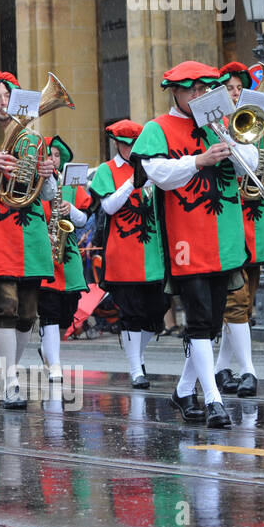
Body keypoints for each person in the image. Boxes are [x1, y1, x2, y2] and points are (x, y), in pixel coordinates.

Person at [131, 61, 257, 429]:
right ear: (176, 92)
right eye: (192, 90)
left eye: (205, 89)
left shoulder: (221, 122)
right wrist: (198, 160)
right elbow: (158, 174)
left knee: (212, 322)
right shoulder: (159, 128)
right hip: (186, 237)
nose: (200, 95)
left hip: (224, 236)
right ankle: (213, 399)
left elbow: (251, 166)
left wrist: (230, 142)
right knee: (200, 320)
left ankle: (185, 391)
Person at [0, 70, 58, 409]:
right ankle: (9, 381)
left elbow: (47, 193)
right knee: (6, 306)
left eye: (7, 96)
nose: (3, 102)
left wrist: (47, 173)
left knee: (28, 313)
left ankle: (12, 369)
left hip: (30, 230)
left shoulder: (33, 139)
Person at [214, 61, 264, 398]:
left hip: (257, 223)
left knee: (245, 304)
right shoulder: (218, 127)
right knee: (236, 301)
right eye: (229, 88)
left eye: (240, 88)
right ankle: (247, 372)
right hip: (231, 221)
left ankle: (219, 369)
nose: (236, 93)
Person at [87, 120, 167, 387]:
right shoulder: (106, 171)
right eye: (125, 144)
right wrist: (133, 182)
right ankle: (135, 368)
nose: (131, 149)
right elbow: (108, 207)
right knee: (131, 312)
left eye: (134, 144)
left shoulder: (153, 165)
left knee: (157, 311)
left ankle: (137, 355)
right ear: (117, 144)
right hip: (123, 253)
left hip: (154, 253)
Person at [37, 136, 89, 382]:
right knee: (49, 309)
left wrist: (73, 209)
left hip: (68, 255)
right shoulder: (35, 182)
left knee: (67, 313)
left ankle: (48, 349)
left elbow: (83, 220)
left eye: (56, 155)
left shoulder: (69, 183)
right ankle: (55, 364)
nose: (53, 159)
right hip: (43, 253)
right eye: (48, 155)